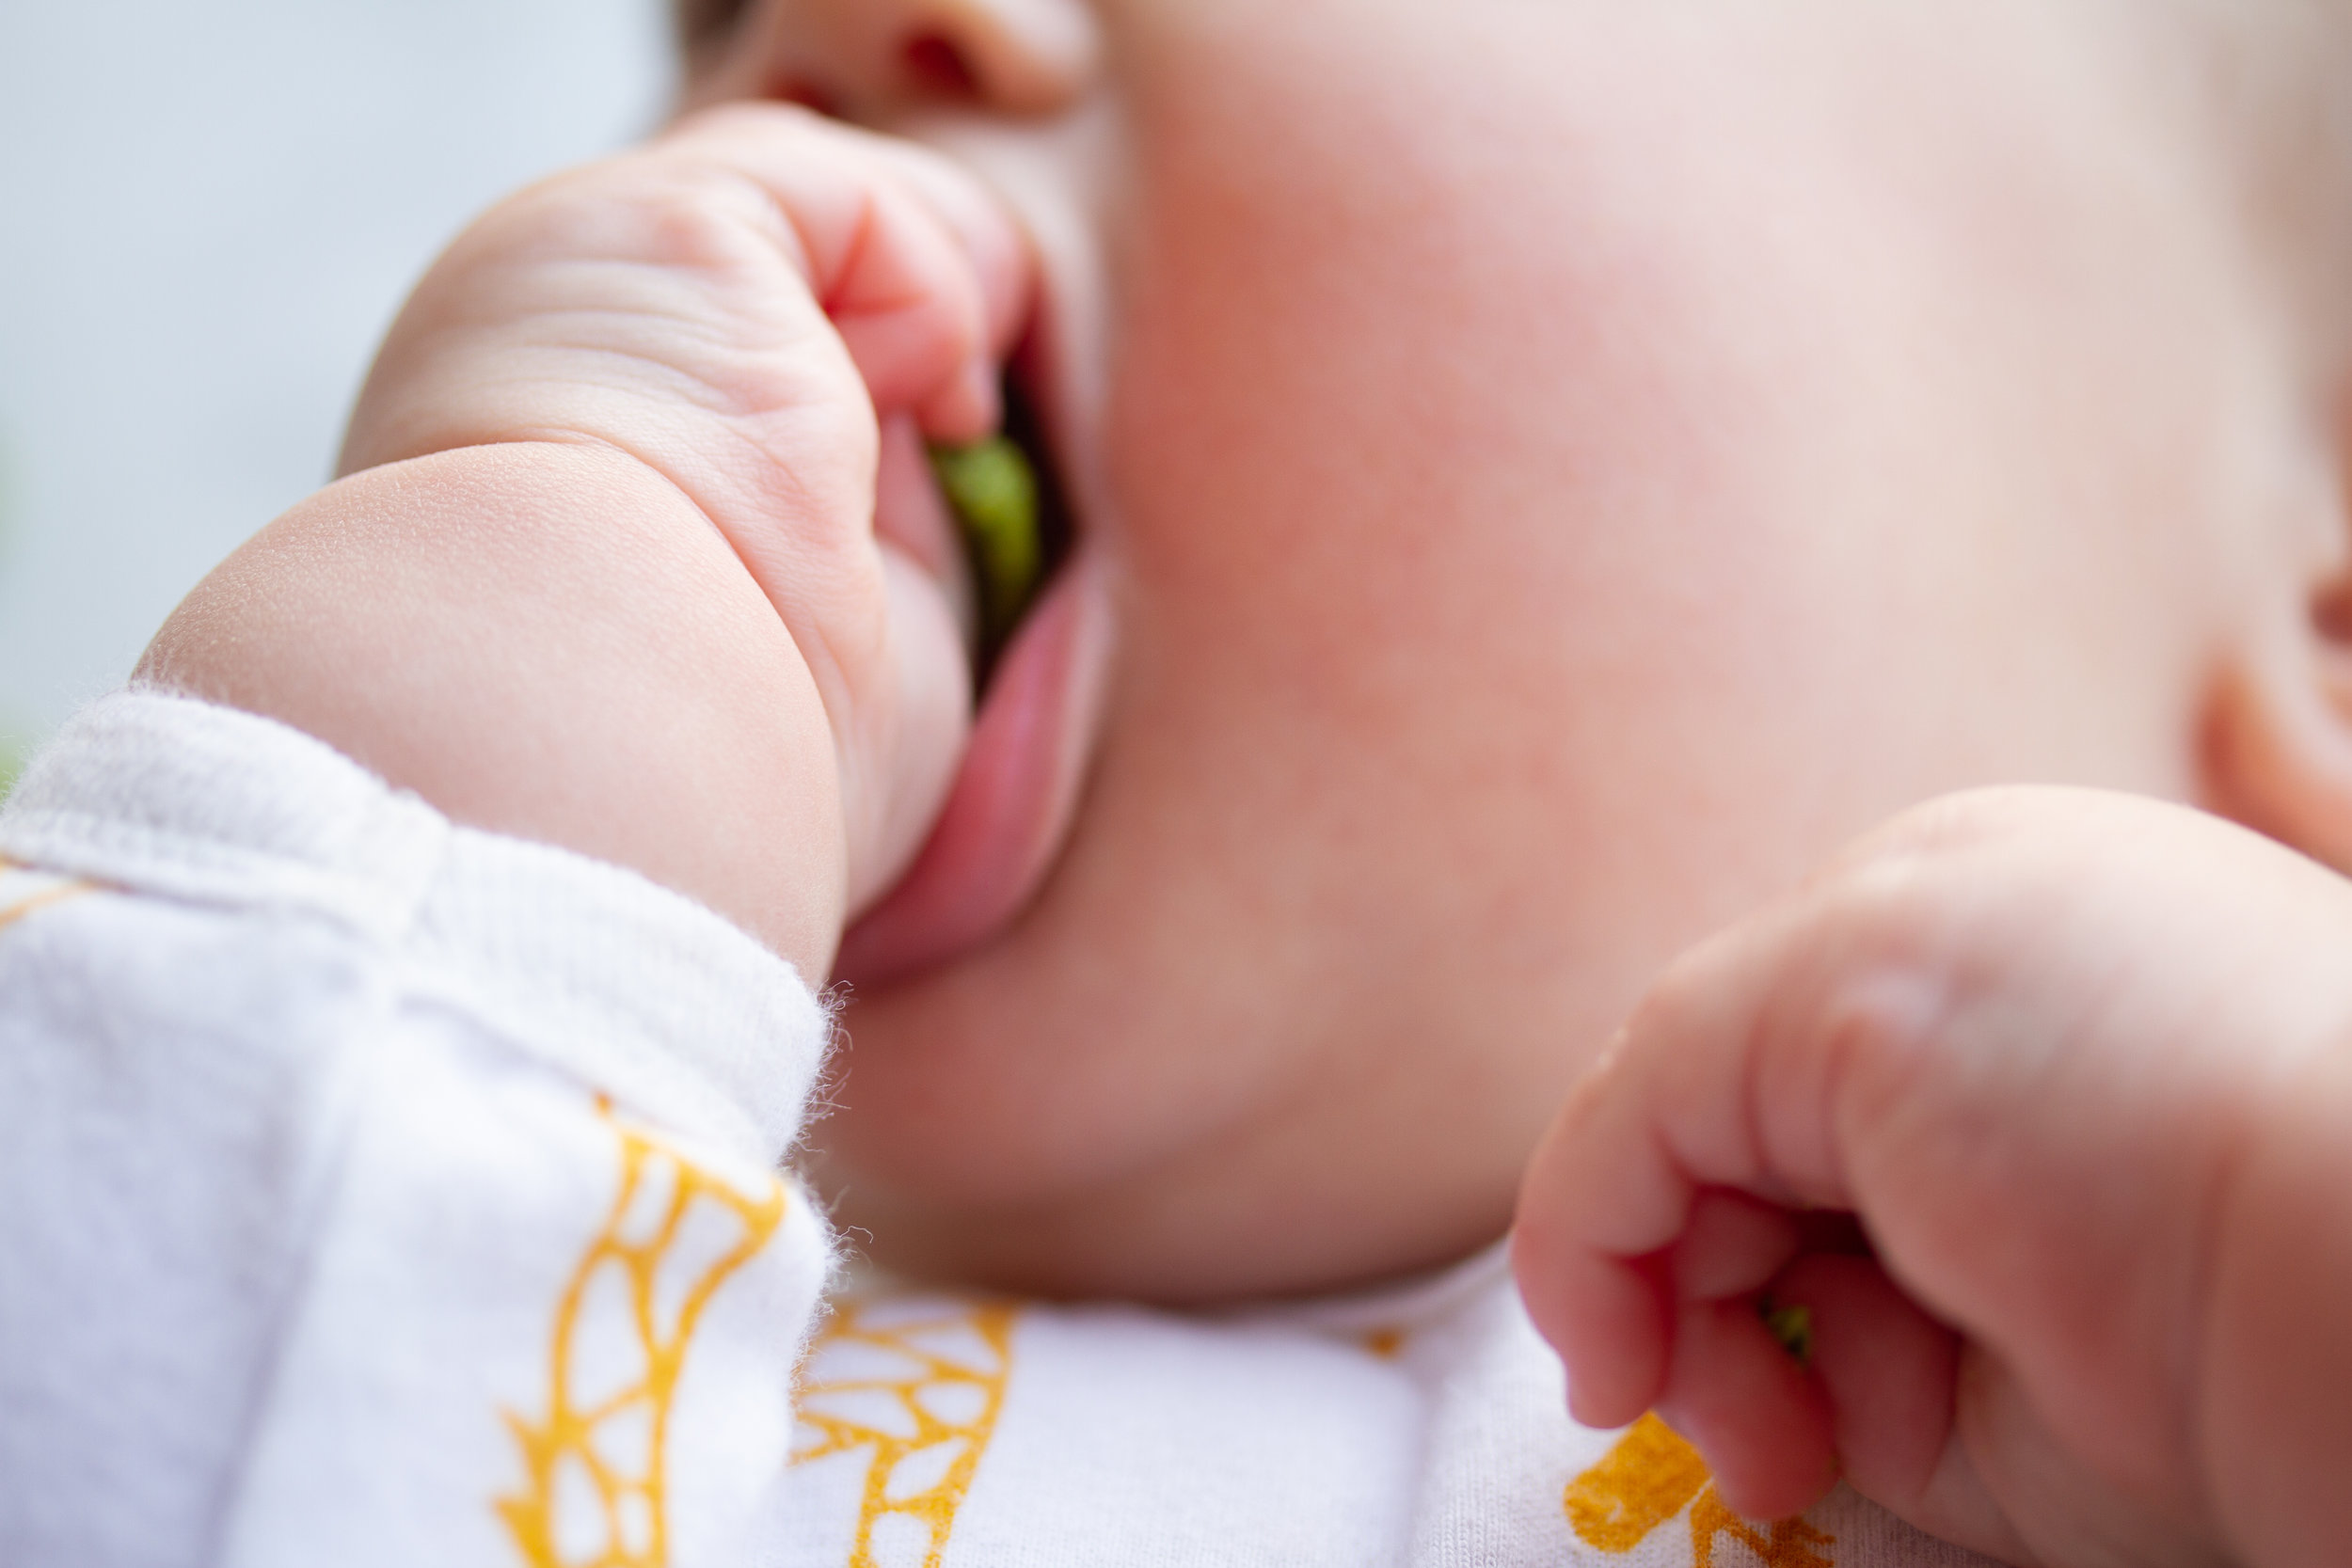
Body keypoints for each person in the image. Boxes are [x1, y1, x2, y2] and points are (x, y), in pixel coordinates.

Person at [2, 0, 2349, 1563]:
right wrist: (495, 761)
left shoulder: (2165, 1394)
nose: (796, 56)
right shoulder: (604, 1294)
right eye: (693, 32)